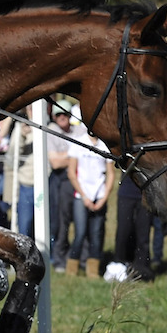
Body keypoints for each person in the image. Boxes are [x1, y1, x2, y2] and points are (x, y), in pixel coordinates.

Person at [63, 136, 113, 277]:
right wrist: (84, 196)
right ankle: (71, 269)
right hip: (81, 196)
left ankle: (93, 271)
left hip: (99, 196)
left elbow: (110, 173)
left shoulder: (104, 145)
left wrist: (104, 198)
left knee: (96, 235)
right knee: (80, 233)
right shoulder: (79, 142)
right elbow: (71, 172)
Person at [46, 104, 80, 272]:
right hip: (60, 181)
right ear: (54, 117)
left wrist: (65, 157)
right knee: (60, 221)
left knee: (81, 221)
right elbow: (55, 163)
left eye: (65, 114)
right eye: (58, 114)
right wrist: (75, 156)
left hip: (80, 180)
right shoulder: (51, 132)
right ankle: (59, 258)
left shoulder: (79, 131)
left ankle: (79, 257)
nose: (62, 117)